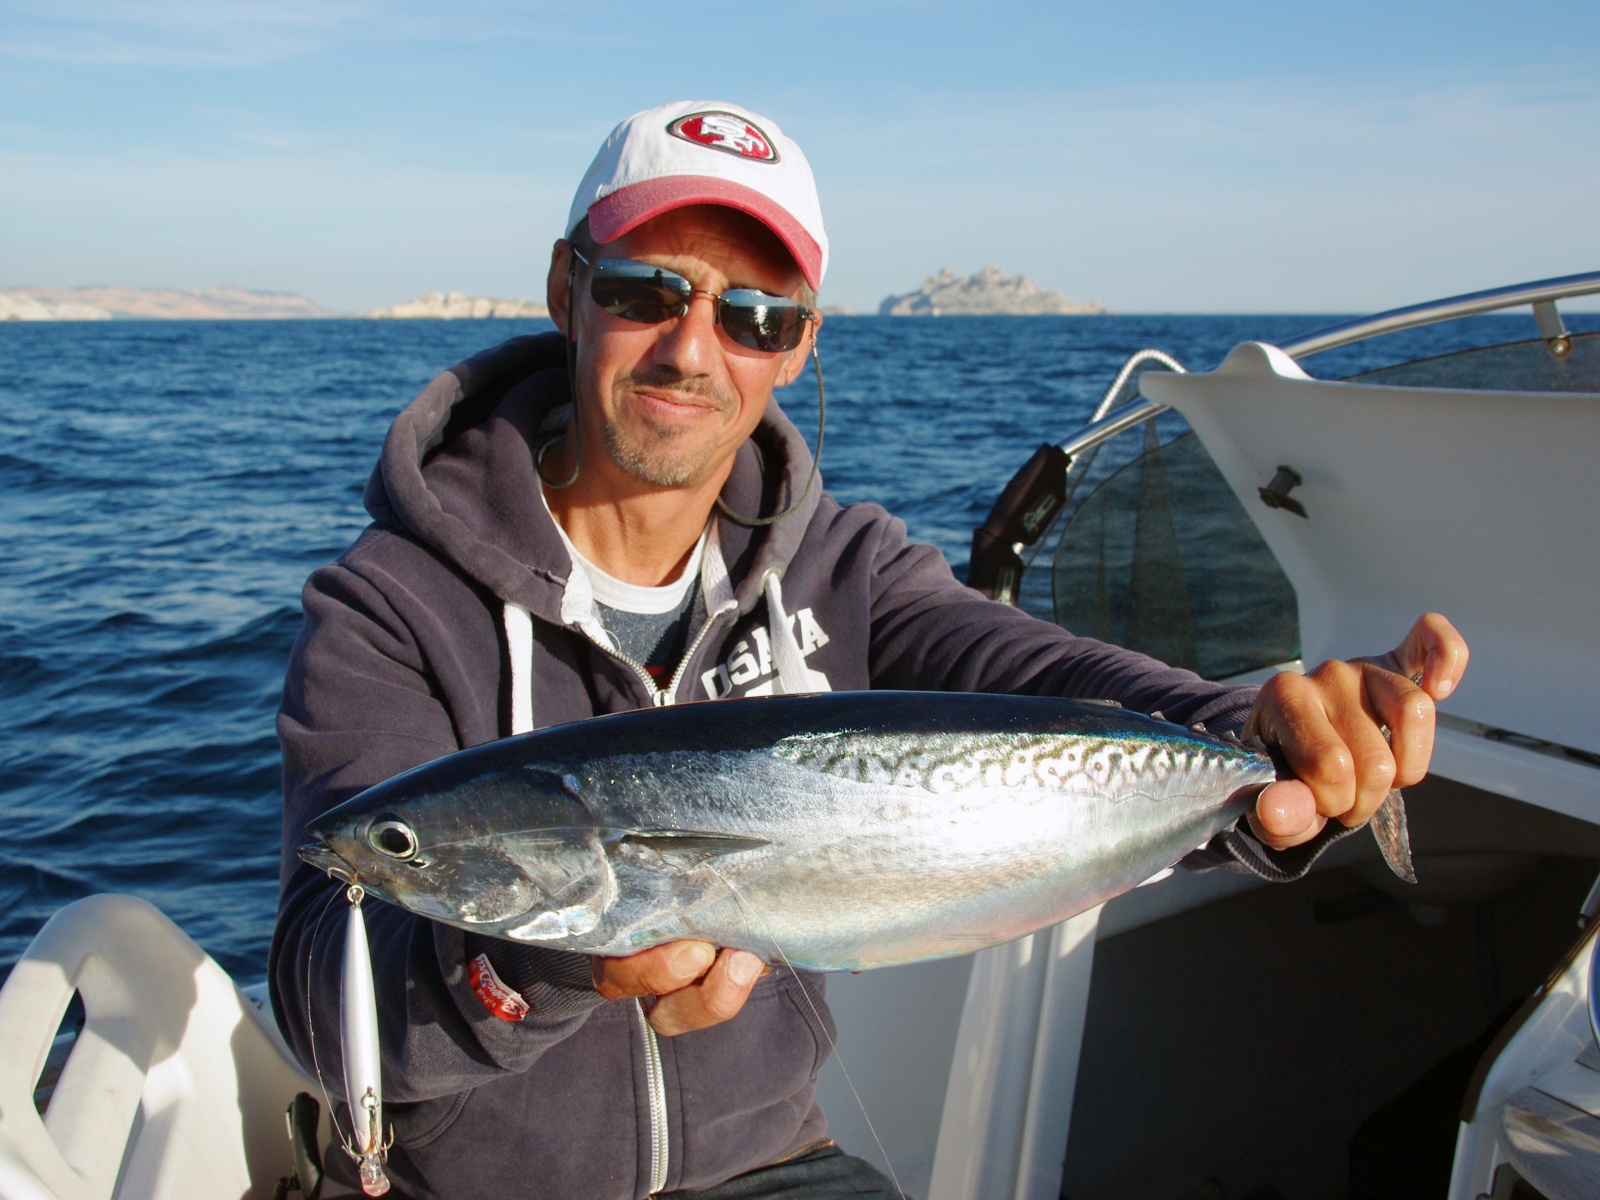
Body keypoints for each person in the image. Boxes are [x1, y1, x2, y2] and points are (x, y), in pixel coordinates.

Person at [270, 100, 1468, 1200]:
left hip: (771, 1170)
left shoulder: (849, 568)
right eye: (646, 290)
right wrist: (557, 963)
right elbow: (327, 1006)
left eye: (753, 315)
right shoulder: (390, 608)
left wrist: (1258, 732)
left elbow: (1044, 683)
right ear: (563, 287)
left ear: (796, 347)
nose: (694, 351)